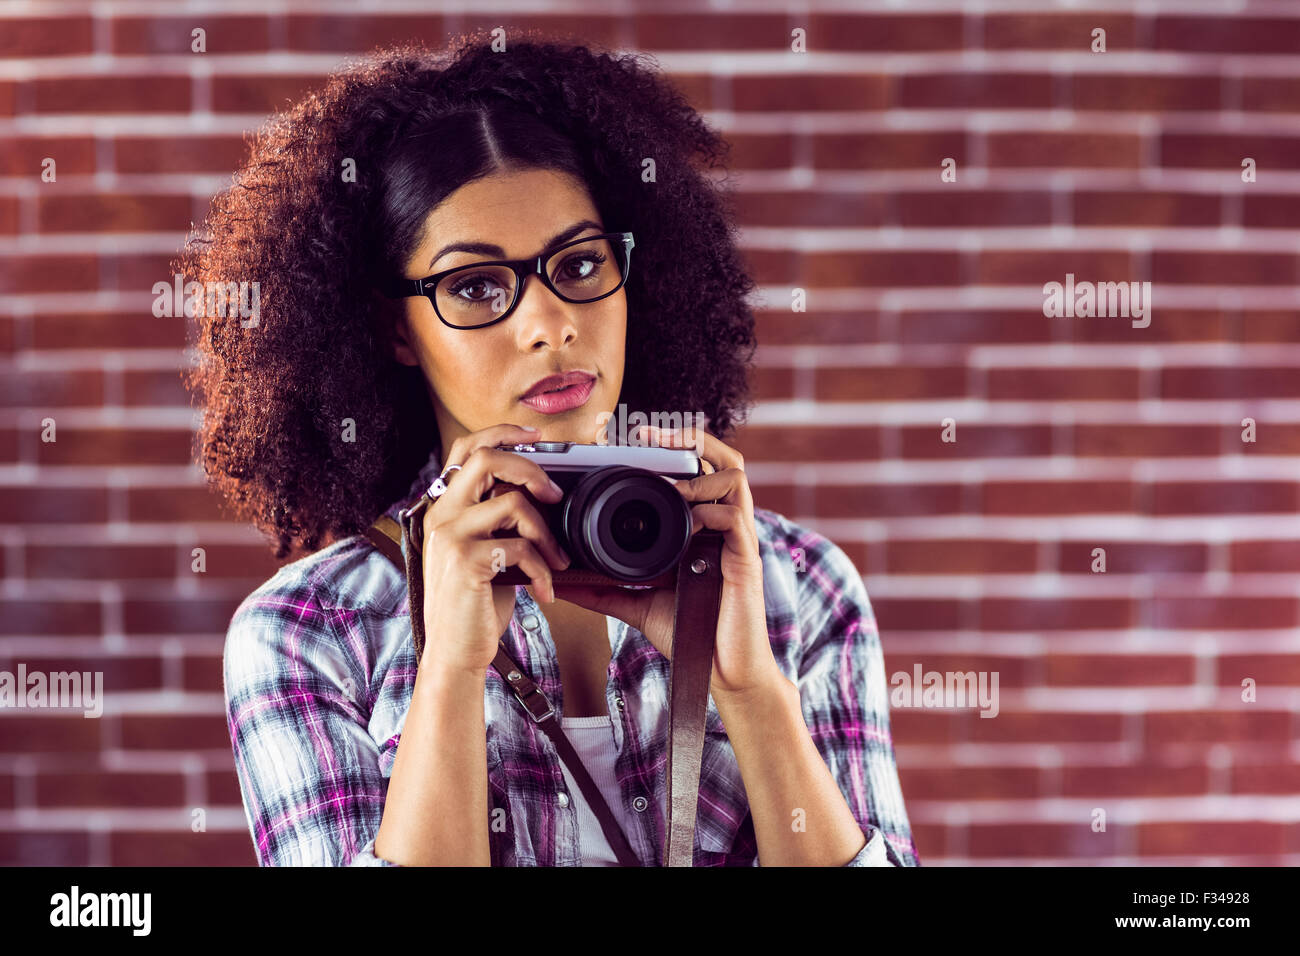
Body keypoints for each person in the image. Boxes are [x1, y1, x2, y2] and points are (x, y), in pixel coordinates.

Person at [183, 31, 919, 867]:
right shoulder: (308, 634)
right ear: (396, 327)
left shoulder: (800, 588)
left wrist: (750, 693)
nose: (548, 324)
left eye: (578, 264)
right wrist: (451, 677)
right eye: (475, 287)